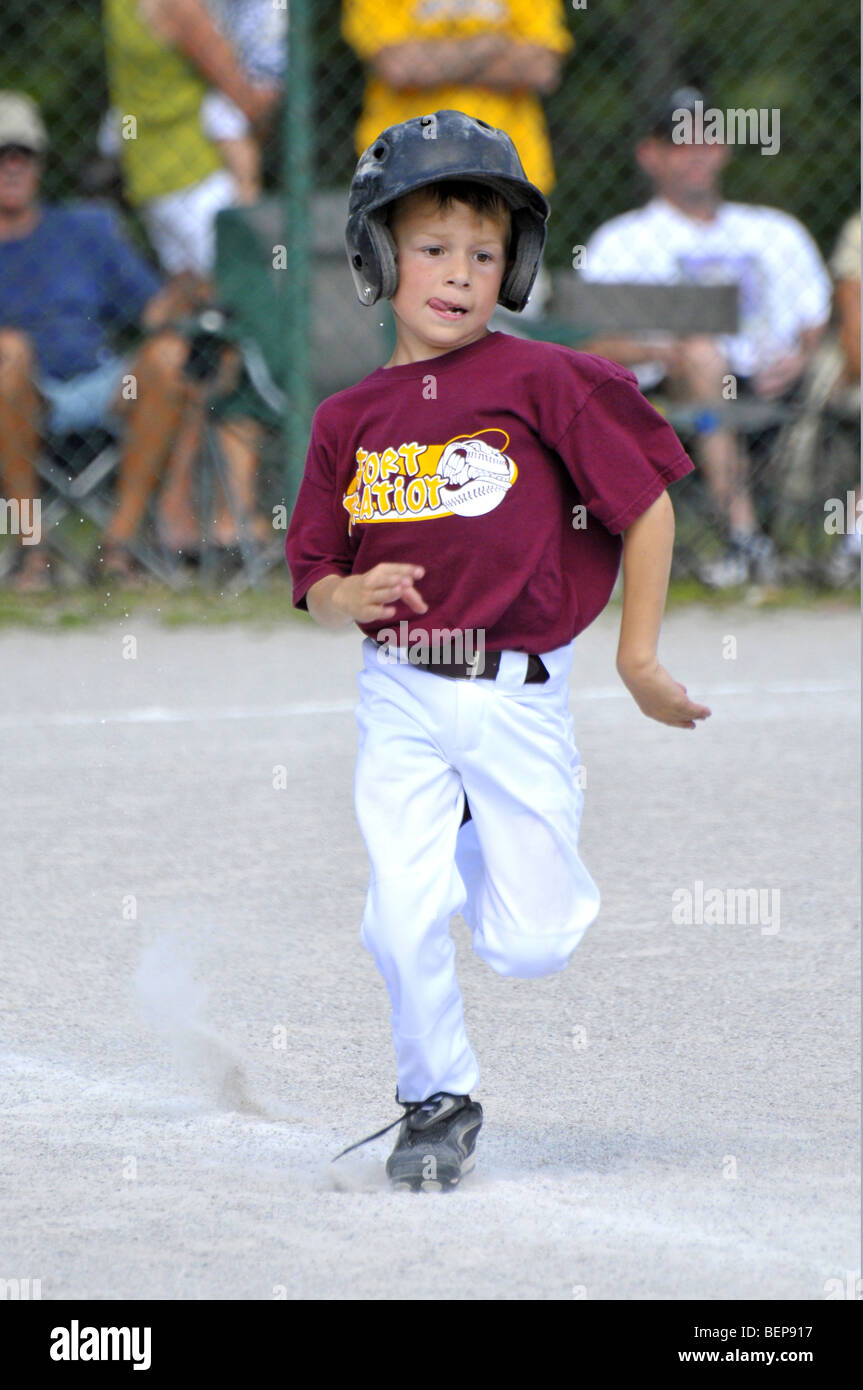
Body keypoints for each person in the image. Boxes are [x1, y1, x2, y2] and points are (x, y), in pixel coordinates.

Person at [285, 111, 710, 1191]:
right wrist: (349, 589)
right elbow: (313, 585)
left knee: (532, 943)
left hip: (518, 696)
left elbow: (646, 507)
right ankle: (437, 1096)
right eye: (431, 247)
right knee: (399, 914)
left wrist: (636, 656)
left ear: (512, 269)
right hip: (402, 695)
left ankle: (471, 833)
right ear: (378, 255)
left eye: (484, 253)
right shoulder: (347, 419)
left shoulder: (546, 384)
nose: (458, 274)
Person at [0, 91, 263, 589]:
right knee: (8, 356)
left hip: (103, 387)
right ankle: (31, 545)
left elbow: (155, 310)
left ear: (39, 162)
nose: (12, 166)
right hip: (20, 396)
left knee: (168, 355)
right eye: (1, 155)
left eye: (23, 154)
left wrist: (192, 291)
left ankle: (117, 545)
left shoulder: (83, 229)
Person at [580, 87, 832, 588]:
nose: (696, 151)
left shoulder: (774, 231)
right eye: (678, 141)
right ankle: (744, 537)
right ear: (649, 155)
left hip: (781, 385)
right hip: (673, 394)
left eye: (707, 138)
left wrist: (802, 358)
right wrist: (667, 350)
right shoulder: (622, 241)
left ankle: (851, 539)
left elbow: (815, 320)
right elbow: (588, 346)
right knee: (702, 354)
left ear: (723, 149)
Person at [340, 0, 573, 320]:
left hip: (506, 179)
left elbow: (541, 67)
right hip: (404, 178)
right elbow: (399, 66)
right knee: (406, 308)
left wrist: (436, 61)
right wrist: (492, 43)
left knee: (506, 316)